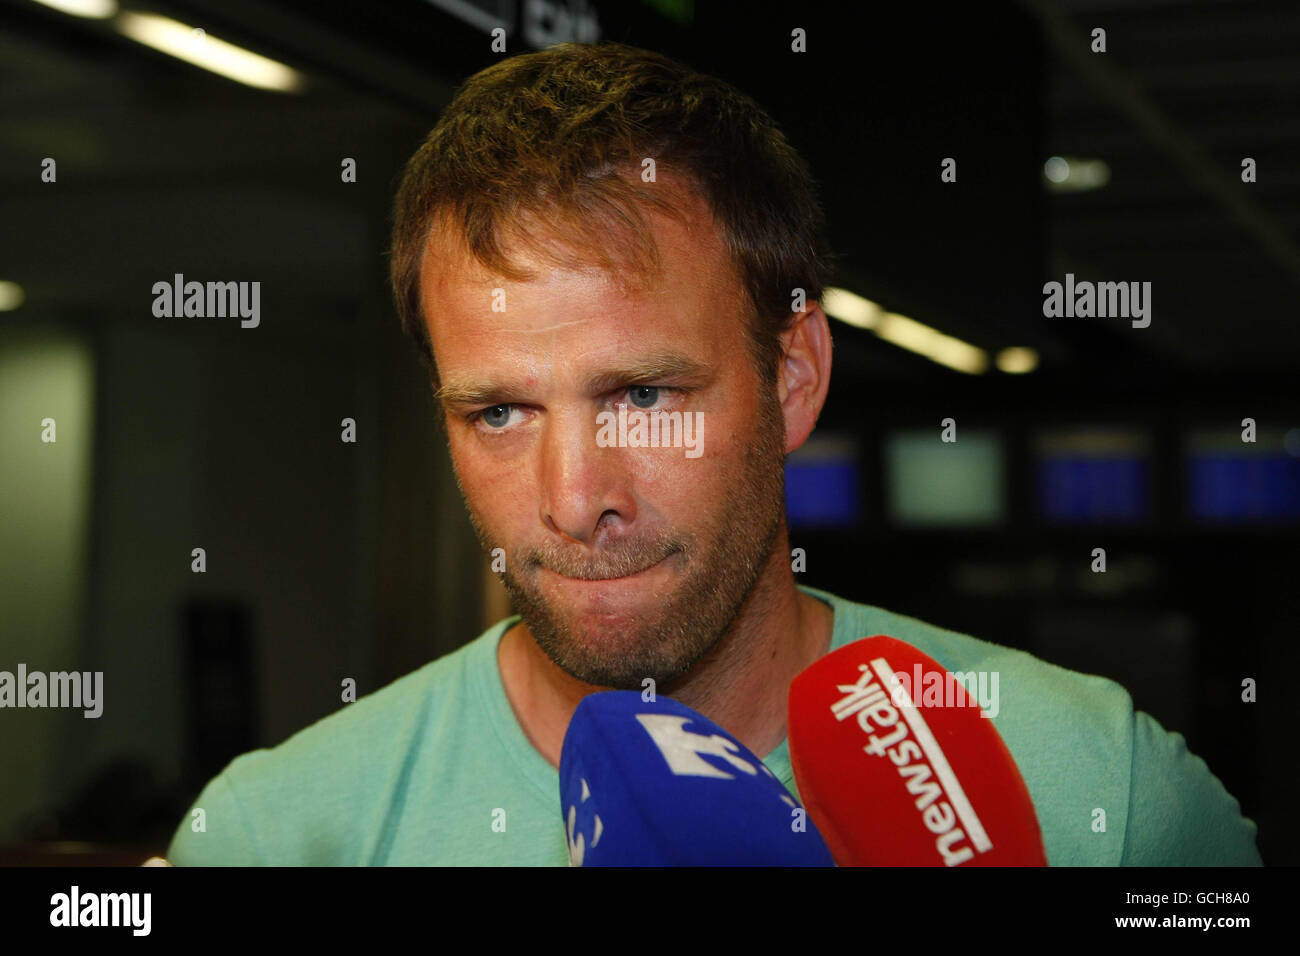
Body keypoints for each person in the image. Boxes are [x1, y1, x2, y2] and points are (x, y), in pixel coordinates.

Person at [167, 42, 1261, 866]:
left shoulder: (1106, 797)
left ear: (791, 375)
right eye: (498, 411)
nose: (574, 498)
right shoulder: (279, 833)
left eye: (642, 392)